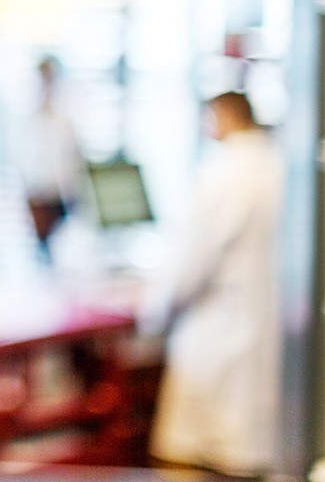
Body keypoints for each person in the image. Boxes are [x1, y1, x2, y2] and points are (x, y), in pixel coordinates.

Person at [138, 91, 284, 476]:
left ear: (221, 116)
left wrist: (153, 315)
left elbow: (188, 266)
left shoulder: (221, 174)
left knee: (195, 456)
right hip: (264, 334)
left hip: (216, 336)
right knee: (245, 454)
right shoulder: (281, 167)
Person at [20, 55, 83, 261]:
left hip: (62, 198)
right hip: (37, 196)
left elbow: (73, 164)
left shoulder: (66, 122)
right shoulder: (27, 122)